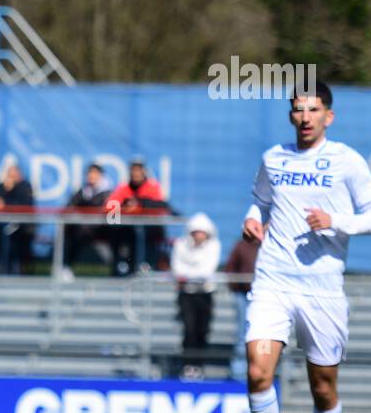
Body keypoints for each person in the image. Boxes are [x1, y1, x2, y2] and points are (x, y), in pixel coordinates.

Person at [239, 81, 371, 413]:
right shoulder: (274, 158)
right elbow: (258, 202)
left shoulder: (347, 162)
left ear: (329, 116)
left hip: (322, 289)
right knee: (257, 370)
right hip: (273, 281)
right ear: (291, 115)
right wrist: (252, 220)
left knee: (323, 388)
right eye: (298, 110)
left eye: (313, 109)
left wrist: (335, 220)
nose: (305, 117)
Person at [170, 213, 220, 378]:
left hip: (205, 294)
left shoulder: (214, 246)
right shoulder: (180, 245)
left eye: (202, 232)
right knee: (189, 330)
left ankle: (199, 364)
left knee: (202, 330)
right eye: (196, 232)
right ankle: (188, 364)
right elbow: (177, 270)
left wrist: (189, 275)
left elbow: (207, 272)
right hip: (186, 295)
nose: (199, 236)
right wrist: (192, 275)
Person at [105, 157, 169, 276]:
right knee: (115, 232)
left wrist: (140, 203)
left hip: (150, 229)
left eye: (138, 170)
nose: (136, 173)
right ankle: (122, 269)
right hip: (128, 228)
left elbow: (161, 204)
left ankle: (147, 267)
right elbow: (112, 204)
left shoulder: (152, 186)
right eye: (133, 170)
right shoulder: (124, 187)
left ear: (144, 171)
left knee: (146, 236)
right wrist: (125, 205)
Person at [0, 161, 35, 273]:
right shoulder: (0, 187)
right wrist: (5, 191)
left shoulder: (25, 186)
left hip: (22, 224)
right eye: (10, 175)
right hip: (2, 222)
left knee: (15, 238)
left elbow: (25, 205)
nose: (12, 178)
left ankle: (17, 268)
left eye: (14, 175)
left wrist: (8, 198)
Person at [223, 233, 260, 381]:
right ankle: (238, 374)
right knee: (241, 336)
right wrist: (236, 287)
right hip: (243, 295)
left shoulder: (276, 245)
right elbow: (230, 268)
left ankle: (267, 372)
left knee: (267, 339)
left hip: (268, 298)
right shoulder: (242, 245)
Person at [65, 162, 110, 268]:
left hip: (102, 229)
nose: (92, 176)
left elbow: (113, 216)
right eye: (90, 173)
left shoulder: (109, 193)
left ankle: (117, 269)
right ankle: (66, 266)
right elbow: (69, 207)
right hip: (81, 230)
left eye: (95, 173)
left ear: (101, 175)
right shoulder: (82, 192)